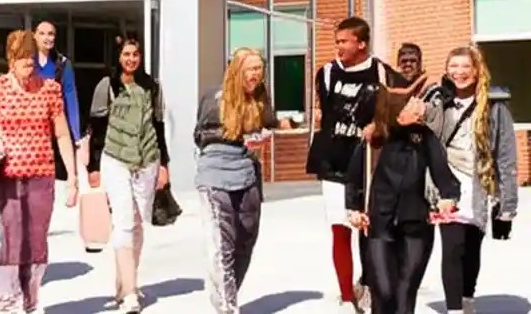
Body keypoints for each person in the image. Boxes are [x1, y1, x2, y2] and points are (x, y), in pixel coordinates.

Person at [0, 29, 78, 314]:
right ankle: (5, 299)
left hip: (42, 174)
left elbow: (62, 136)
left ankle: (30, 300)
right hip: (9, 176)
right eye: (22, 60)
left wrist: (73, 177)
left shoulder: (50, 89)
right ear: (10, 60)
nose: (28, 66)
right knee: (14, 238)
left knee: (37, 240)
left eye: (31, 60)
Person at [304, 16, 392, 312]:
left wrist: (378, 127)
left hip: (369, 162)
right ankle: (346, 296)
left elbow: (396, 110)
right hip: (334, 161)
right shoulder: (327, 73)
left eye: (345, 41)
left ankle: (368, 287)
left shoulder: (381, 72)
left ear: (362, 43)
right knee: (340, 229)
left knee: (370, 230)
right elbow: (323, 110)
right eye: (337, 41)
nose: (339, 47)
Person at [345, 89, 460, 314]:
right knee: (384, 291)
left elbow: (442, 173)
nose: (418, 106)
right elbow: (354, 178)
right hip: (378, 223)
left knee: (405, 292)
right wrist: (353, 209)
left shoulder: (424, 137)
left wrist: (448, 197)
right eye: (411, 103)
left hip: (416, 222)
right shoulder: (373, 140)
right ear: (396, 112)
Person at [194, 47, 290, 314]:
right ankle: (227, 306)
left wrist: (284, 125)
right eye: (250, 69)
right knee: (222, 243)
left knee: (246, 237)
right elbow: (200, 135)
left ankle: (227, 293)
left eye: (259, 69)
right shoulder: (214, 98)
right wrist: (235, 138)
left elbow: (269, 123)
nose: (256, 75)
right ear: (237, 70)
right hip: (215, 172)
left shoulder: (260, 98)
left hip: (246, 172)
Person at [429, 45, 518, 314]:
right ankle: (455, 309)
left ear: (477, 70)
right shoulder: (438, 101)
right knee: (452, 246)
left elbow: (505, 155)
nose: (459, 72)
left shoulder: (494, 106)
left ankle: (467, 298)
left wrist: (507, 206)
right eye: (453, 66)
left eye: (465, 66)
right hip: (446, 184)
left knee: (470, 248)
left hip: (479, 185)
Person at [86, 37, 170, 314]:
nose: (131, 59)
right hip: (115, 159)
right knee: (123, 223)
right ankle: (131, 293)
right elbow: (96, 128)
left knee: (138, 222)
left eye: (135, 54)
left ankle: (126, 279)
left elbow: (158, 127)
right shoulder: (107, 86)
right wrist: (93, 167)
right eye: (126, 54)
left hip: (147, 159)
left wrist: (164, 164)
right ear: (118, 57)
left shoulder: (152, 87)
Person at [33, 21, 83, 180]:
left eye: (51, 34)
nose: (47, 37)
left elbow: (70, 97)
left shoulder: (62, 64)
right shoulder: (27, 62)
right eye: (42, 33)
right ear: (34, 36)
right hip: (31, 130)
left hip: (56, 129)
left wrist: (76, 136)